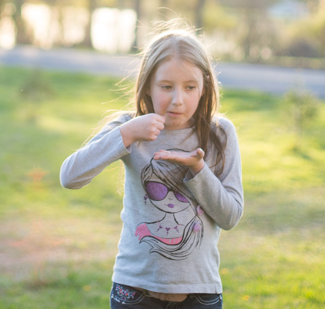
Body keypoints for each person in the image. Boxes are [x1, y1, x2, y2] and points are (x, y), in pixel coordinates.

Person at [60, 22, 243, 309]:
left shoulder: (220, 134)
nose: (177, 100)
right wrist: (127, 135)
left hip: (200, 295)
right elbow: (70, 176)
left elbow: (230, 217)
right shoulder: (129, 128)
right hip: (135, 293)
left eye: (190, 87)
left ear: (205, 86)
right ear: (147, 85)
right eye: (166, 87)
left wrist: (198, 170)